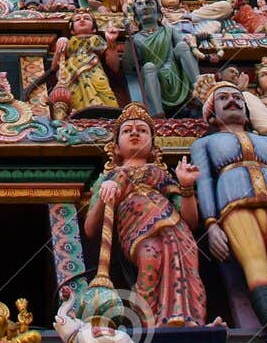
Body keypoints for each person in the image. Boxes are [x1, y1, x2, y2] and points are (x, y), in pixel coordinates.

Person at [190, 82, 267, 330]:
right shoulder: (204, 144)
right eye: (223, 98)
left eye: (237, 97)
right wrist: (211, 223)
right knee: (254, 262)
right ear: (212, 114)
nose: (232, 101)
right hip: (233, 206)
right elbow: (204, 183)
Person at [85, 109, 206, 326]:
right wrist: (105, 193)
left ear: (152, 146)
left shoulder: (160, 175)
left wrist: (186, 186)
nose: (134, 134)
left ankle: (183, 317)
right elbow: (90, 229)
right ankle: (149, 321)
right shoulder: (109, 177)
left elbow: (191, 221)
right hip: (137, 231)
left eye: (142, 131)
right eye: (127, 131)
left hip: (176, 230)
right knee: (151, 258)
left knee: (180, 263)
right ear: (116, 148)